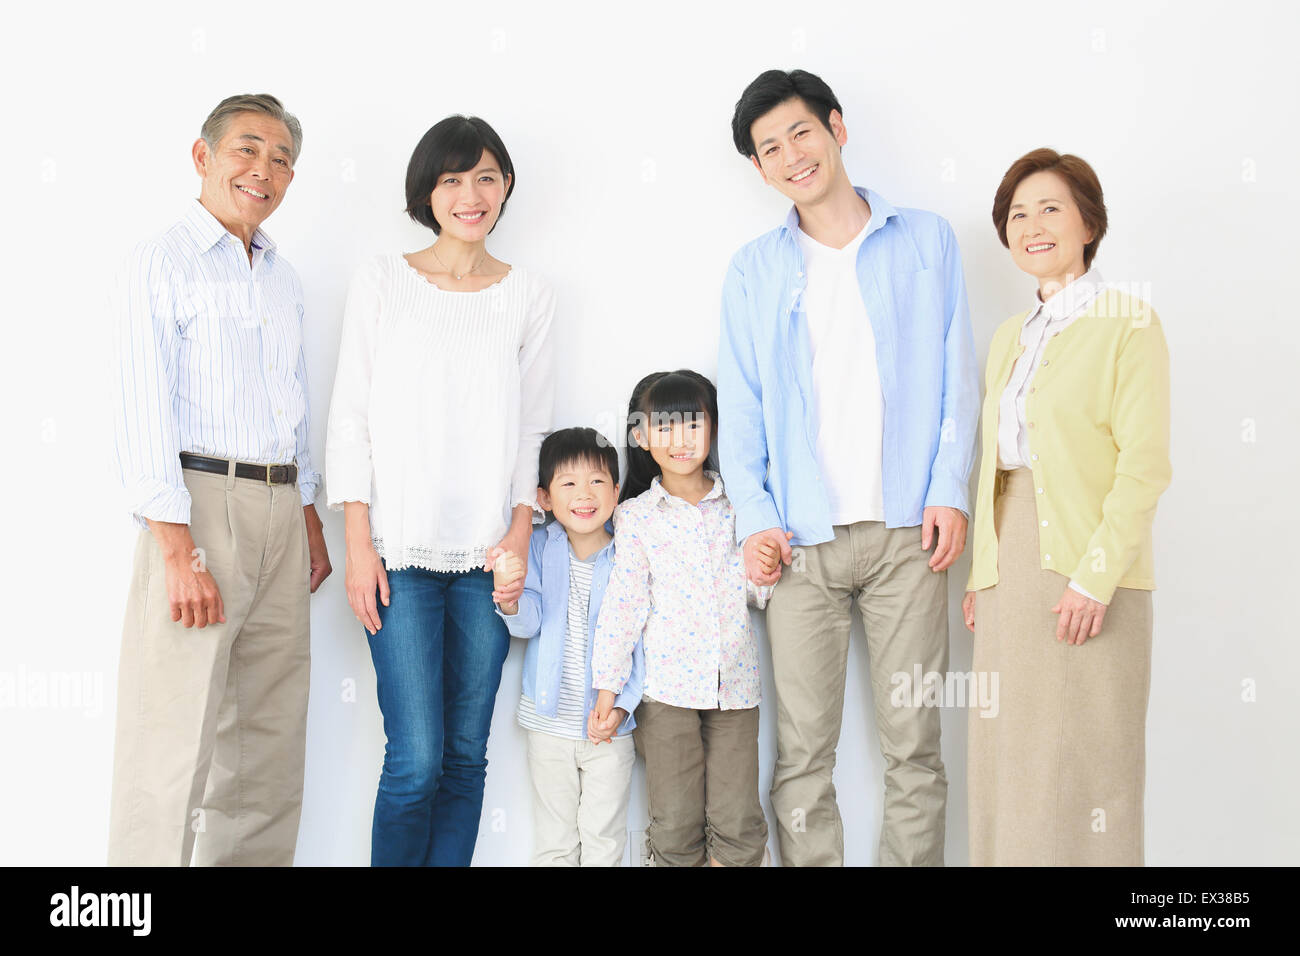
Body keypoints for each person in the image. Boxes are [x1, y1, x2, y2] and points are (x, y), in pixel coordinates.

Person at [717, 69, 979, 866]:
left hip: (909, 533)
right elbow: (744, 409)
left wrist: (948, 489)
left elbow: (956, 380)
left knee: (916, 748)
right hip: (800, 543)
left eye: (801, 132)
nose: (792, 155)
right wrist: (758, 520)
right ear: (759, 169)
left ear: (835, 127)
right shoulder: (753, 270)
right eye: (770, 148)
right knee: (801, 759)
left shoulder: (927, 239)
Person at [108, 93, 331, 866]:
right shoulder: (161, 260)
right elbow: (142, 411)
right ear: (202, 157)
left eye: (279, 159)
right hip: (198, 506)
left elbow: (291, 402)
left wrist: (308, 516)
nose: (262, 170)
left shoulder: (283, 278)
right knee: (171, 734)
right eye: (246, 149)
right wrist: (175, 549)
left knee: (268, 740)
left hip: (278, 505)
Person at [325, 115, 554, 866]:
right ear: (428, 191)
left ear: (506, 186)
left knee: (465, 758)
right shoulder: (384, 279)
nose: (470, 194)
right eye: (452, 179)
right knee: (415, 760)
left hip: (489, 559)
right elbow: (351, 417)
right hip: (399, 553)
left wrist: (521, 533)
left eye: (486, 176)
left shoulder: (528, 295)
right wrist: (359, 546)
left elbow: (533, 429)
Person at [963, 148, 1171, 866]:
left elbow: (1144, 467)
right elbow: (993, 466)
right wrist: (979, 574)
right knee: (1008, 761)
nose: (1032, 225)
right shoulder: (1006, 339)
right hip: (1008, 566)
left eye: (1050, 207)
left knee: (1090, 763)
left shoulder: (1129, 323)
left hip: (1092, 567)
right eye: (1017, 214)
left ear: (1089, 221)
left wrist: (1094, 578)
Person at [591, 370, 774, 868]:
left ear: (715, 428)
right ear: (642, 436)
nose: (680, 439)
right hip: (667, 692)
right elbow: (624, 608)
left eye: (693, 423)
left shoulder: (741, 505)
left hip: (735, 688)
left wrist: (767, 570)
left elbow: (757, 592)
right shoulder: (635, 516)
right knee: (675, 820)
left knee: (739, 820)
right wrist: (607, 692)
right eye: (665, 426)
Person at [491, 427, 645, 866]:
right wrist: (511, 598)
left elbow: (639, 641)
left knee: (604, 841)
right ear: (544, 498)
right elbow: (528, 624)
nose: (584, 494)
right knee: (556, 842)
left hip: (609, 730)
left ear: (616, 492)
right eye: (569, 483)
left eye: (597, 481)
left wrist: (622, 707)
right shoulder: (539, 548)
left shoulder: (629, 555)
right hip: (549, 724)